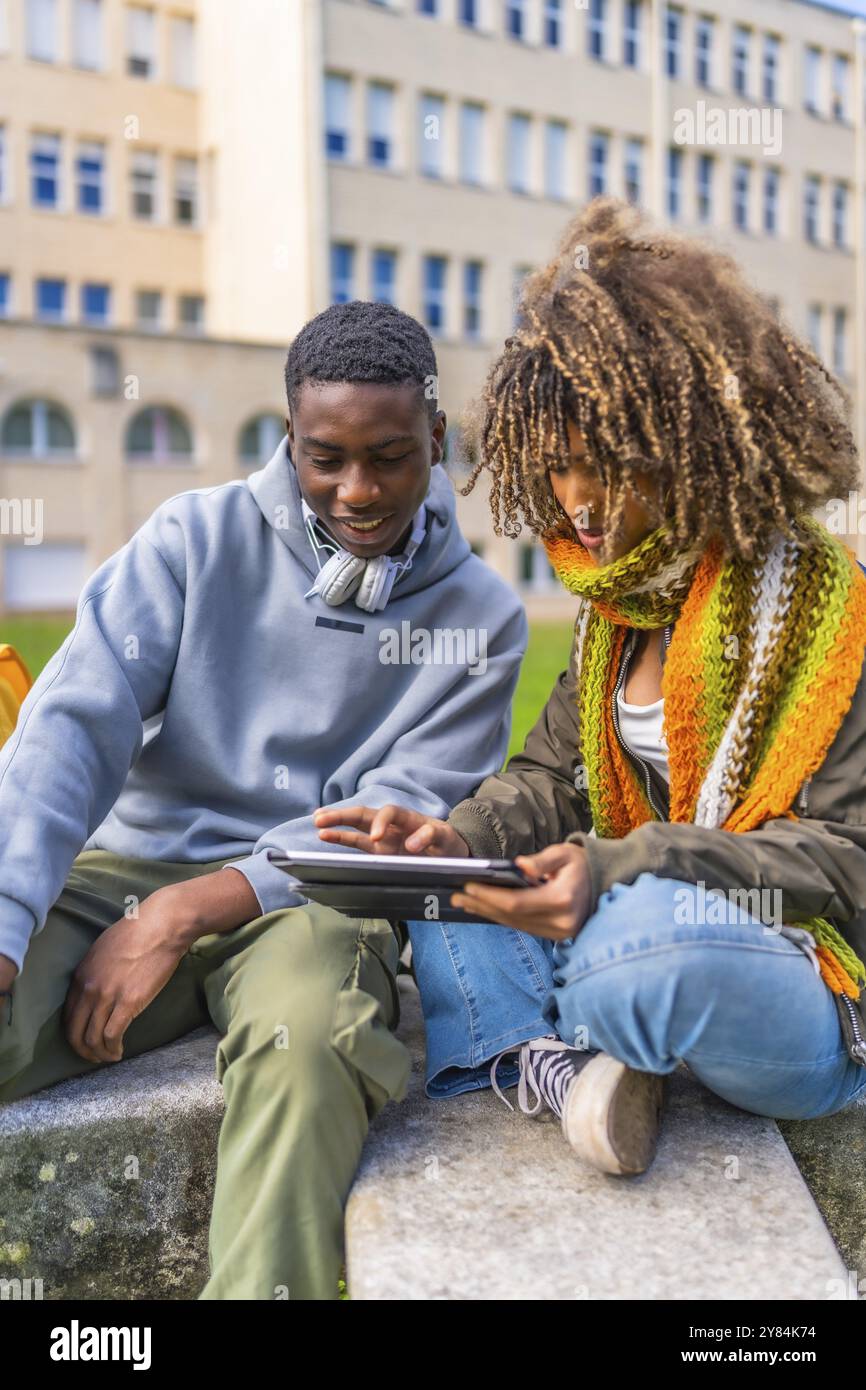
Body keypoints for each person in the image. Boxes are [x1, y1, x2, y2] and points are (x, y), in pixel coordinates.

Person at [315, 199, 866, 1178]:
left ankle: (544, 1028)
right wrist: (459, 844)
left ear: (688, 443)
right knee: (448, 893)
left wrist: (620, 866)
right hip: (637, 920)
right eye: (558, 469)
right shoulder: (613, 616)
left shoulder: (831, 612)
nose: (578, 504)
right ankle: (566, 1066)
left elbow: (845, 860)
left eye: (606, 467)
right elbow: (549, 776)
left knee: (637, 940)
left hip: (801, 978)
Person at [0, 300, 527, 1298]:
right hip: (127, 870)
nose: (357, 491)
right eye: (326, 457)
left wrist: (182, 912)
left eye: (389, 456)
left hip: (316, 902)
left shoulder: (482, 619)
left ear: (437, 440)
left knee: (311, 1051)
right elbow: (70, 727)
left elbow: (391, 822)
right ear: (290, 439)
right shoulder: (191, 539)